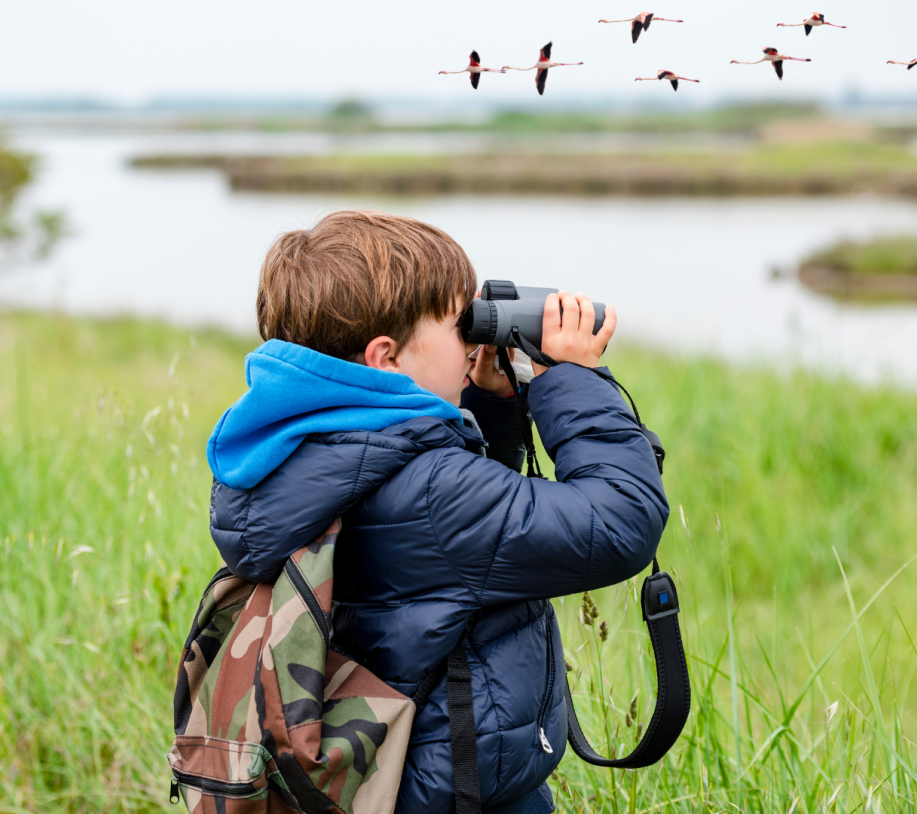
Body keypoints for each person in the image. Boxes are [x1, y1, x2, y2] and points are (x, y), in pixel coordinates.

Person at [205, 210, 668, 814]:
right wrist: (572, 381)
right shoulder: (432, 490)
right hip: (461, 789)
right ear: (385, 357)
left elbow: (457, 539)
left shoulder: (302, 453)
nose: (476, 340)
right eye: (459, 327)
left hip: (385, 776)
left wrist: (488, 405)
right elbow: (620, 522)